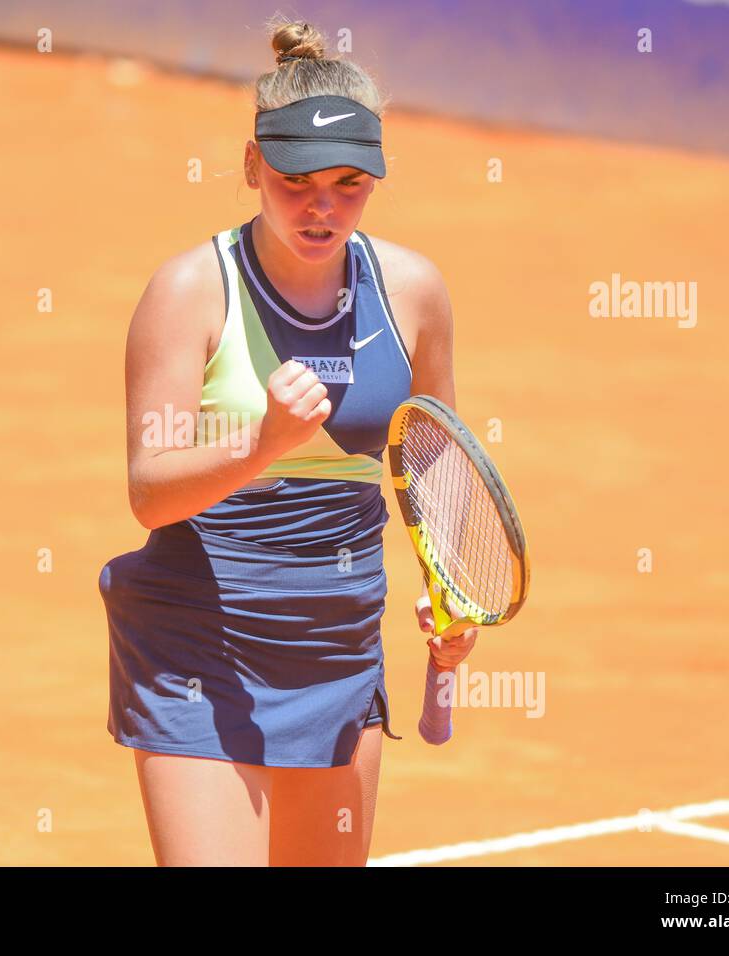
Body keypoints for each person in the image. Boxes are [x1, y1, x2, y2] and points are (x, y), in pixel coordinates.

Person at [98, 18, 479, 866]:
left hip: (337, 644)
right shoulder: (190, 293)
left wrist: (452, 587)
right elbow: (149, 491)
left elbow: (437, 456)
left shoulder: (412, 292)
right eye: (296, 179)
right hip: (198, 645)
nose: (322, 207)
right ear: (249, 167)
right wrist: (262, 442)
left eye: (350, 184)